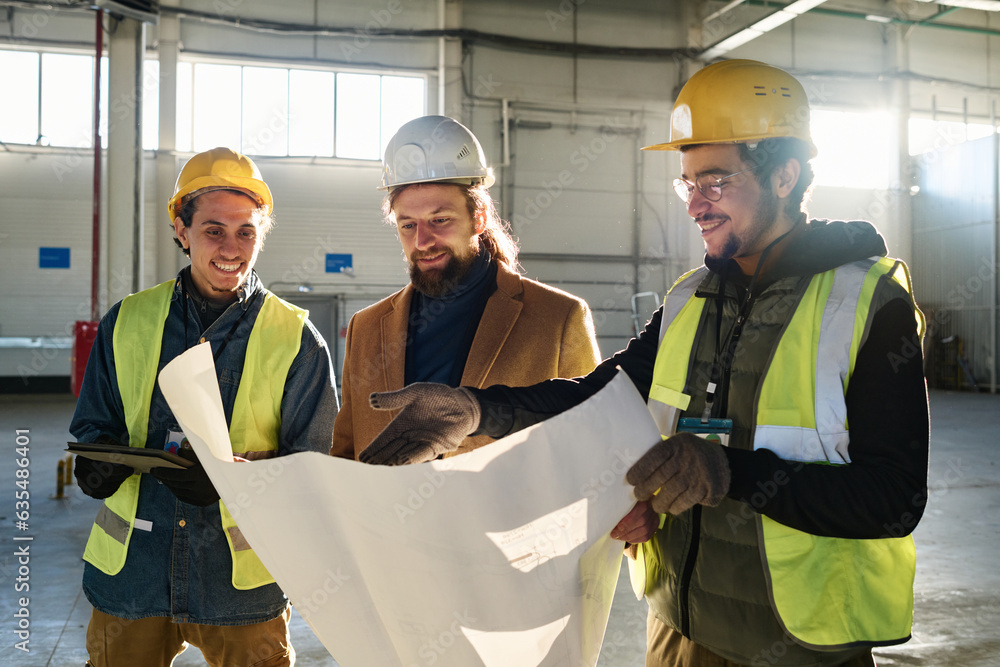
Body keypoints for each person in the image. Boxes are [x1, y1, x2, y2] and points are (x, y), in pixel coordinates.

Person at [358, 61, 929, 667]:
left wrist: (732, 472)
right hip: (679, 631)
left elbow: (893, 499)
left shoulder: (865, 303)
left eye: (715, 182)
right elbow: (600, 395)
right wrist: (478, 409)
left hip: (804, 642)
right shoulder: (689, 298)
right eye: (688, 185)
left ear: (784, 175)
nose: (696, 206)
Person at [71, 147, 339, 667]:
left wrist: (233, 480)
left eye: (246, 231)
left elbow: (318, 471)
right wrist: (96, 461)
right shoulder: (128, 320)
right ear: (181, 228)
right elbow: (93, 425)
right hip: (133, 573)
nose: (231, 247)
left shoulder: (296, 338)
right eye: (214, 229)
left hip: (240, 582)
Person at [331, 115, 601, 461]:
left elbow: (592, 436)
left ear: (479, 217)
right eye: (408, 225)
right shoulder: (365, 328)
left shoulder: (556, 319)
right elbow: (345, 453)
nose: (422, 241)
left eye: (439, 220)